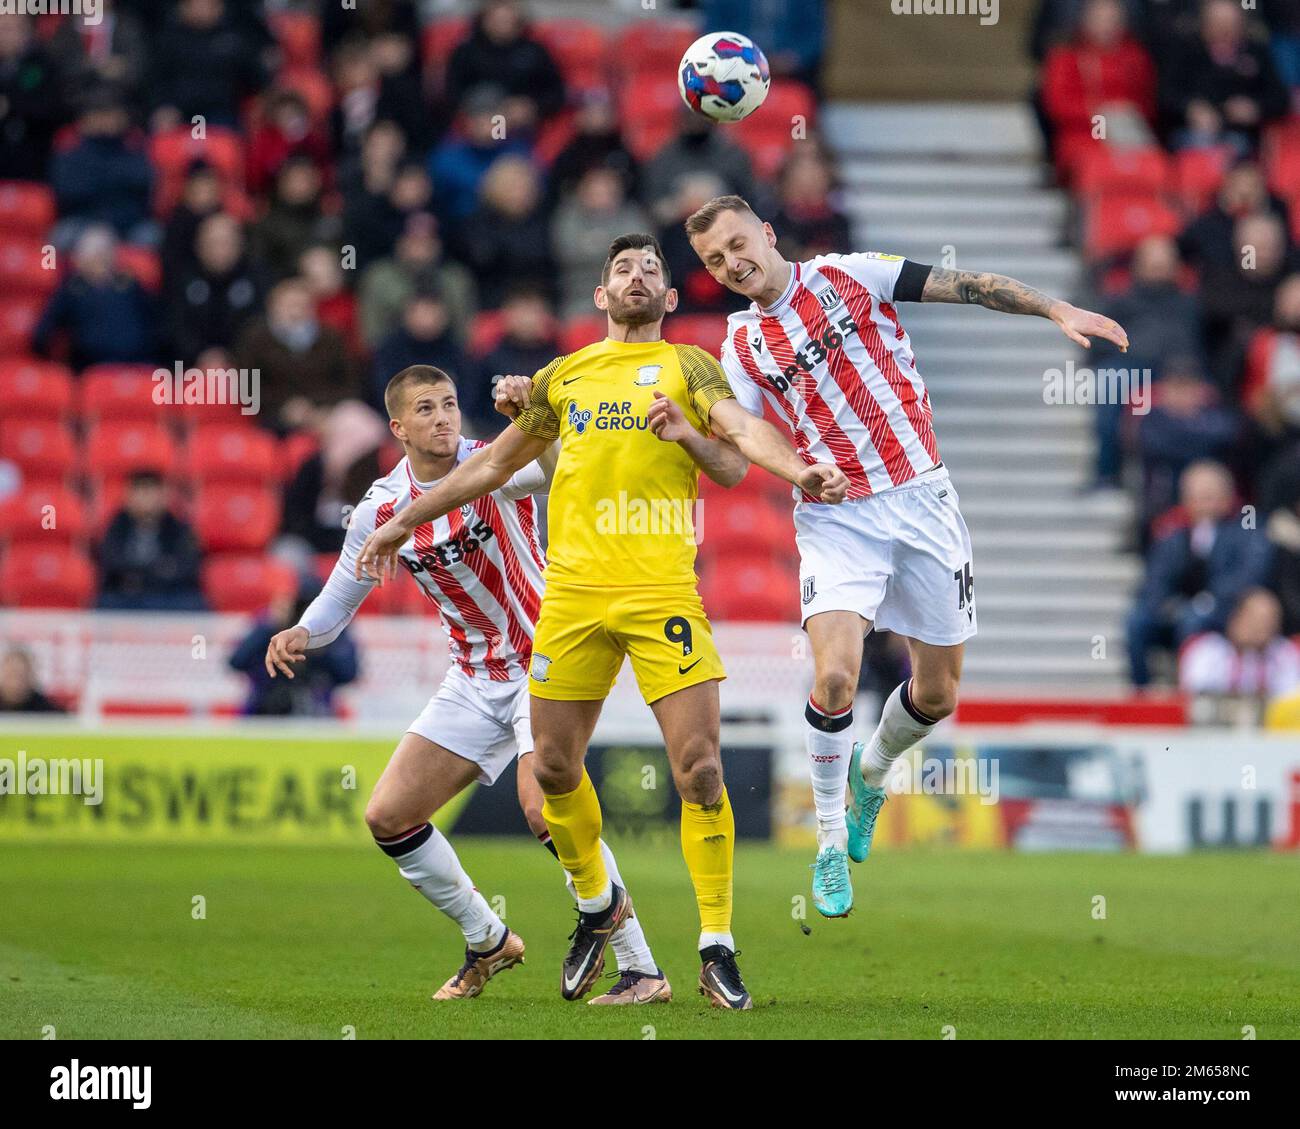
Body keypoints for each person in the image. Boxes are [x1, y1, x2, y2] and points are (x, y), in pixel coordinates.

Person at [355, 234, 850, 1009]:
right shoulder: (567, 375)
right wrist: (398, 522)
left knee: (702, 771)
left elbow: (736, 447)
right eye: (624, 268)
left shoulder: (689, 365)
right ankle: (595, 909)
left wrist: (791, 466)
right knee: (551, 770)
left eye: (652, 269)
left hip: (661, 594)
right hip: (574, 599)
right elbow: (488, 466)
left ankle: (716, 946)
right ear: (600, 294)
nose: (638, 276)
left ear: (670, 297)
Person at [684, 193, 1129, 916]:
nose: (732, 263)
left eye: (738, 244)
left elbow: (965, 286)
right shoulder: (739, 346)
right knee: (833, 677)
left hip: (922, 499)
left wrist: (1056, 311)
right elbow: (737, 460)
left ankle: (873, 770)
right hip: (836, 515)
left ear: (767, 233)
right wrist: (695, 437)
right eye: (714, 260)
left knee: (936, 694)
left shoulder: (850, 274)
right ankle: (830, 843)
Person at [265, 364, 670, 1004]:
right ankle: (487, 938)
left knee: (543, 807)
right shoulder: (379, 509)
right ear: (397, 427)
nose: (443, 417)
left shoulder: (495, 462)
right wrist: (300, 635)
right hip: (474, 676)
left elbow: (570, 470)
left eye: (450, 403)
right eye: (425, 409)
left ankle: (641, 967)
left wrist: (531, 416)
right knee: (390, 816)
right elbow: (342, 594)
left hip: (546, 659)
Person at [1127, 460, 1273, 685]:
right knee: (1137, 621)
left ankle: (1184, 688)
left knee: (1192, 619)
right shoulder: (1173, 534)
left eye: (1209, 496)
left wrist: (1207, 601)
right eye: (1195, 497)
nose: (1202, 504)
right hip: (1178, 609)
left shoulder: (1246, 528)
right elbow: (1156, 579)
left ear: (1227, 497)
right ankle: (1141, 689)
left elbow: (1248, 575)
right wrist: (1164, 605)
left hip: (1223, 611)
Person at [97, 470, 206, 612]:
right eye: (141, 491)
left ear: (164, 495)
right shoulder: (115, 527)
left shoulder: (178, 528)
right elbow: (110, 563)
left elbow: (187, 566)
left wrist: (138, 573)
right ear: (128, 496)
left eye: (151, 491)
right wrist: (160, 569)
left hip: (170, 595)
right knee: (104, 603)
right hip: (126, 595)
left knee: (194, 603)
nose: (146, 498)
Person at [1179, 588, 1300, 700]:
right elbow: (1195, 695)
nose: (1259, 628)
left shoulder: (1286, 654)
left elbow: (1291, 697)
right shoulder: (1206, 651)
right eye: (1253, 619)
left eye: (1268, 621)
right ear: (1235, 617)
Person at [0, 646, 65, 714]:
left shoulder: (46, 709)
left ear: (32, 675)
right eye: (11, 674)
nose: (16, 683)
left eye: (21, 675)